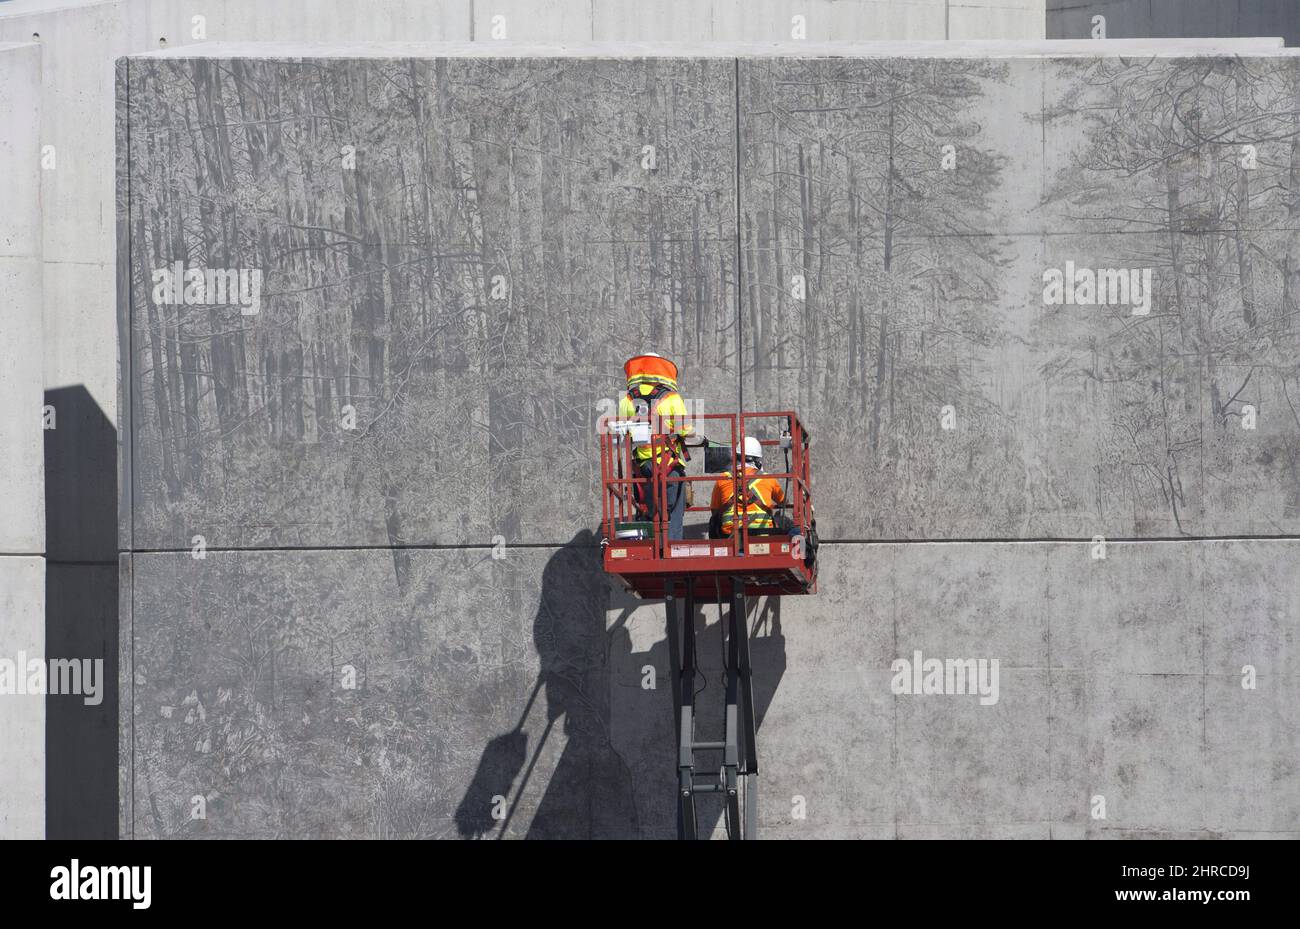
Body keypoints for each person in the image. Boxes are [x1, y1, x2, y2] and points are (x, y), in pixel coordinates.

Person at [618, 352, 694, 540]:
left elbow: (620, 433)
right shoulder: (672, 398)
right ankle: (672, 545)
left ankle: (651, 542)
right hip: (669, 467)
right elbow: (686, 431)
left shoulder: (626, 400)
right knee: (676, 506)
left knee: (650, 508)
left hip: (642, 468)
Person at [709, 435, 789, 539]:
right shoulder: (768, 478)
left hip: (730, 533)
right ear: (756, 460)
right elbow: (783, 502)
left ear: (736, 457)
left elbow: (715, 511)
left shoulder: (723, 478)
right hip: (762, 532)